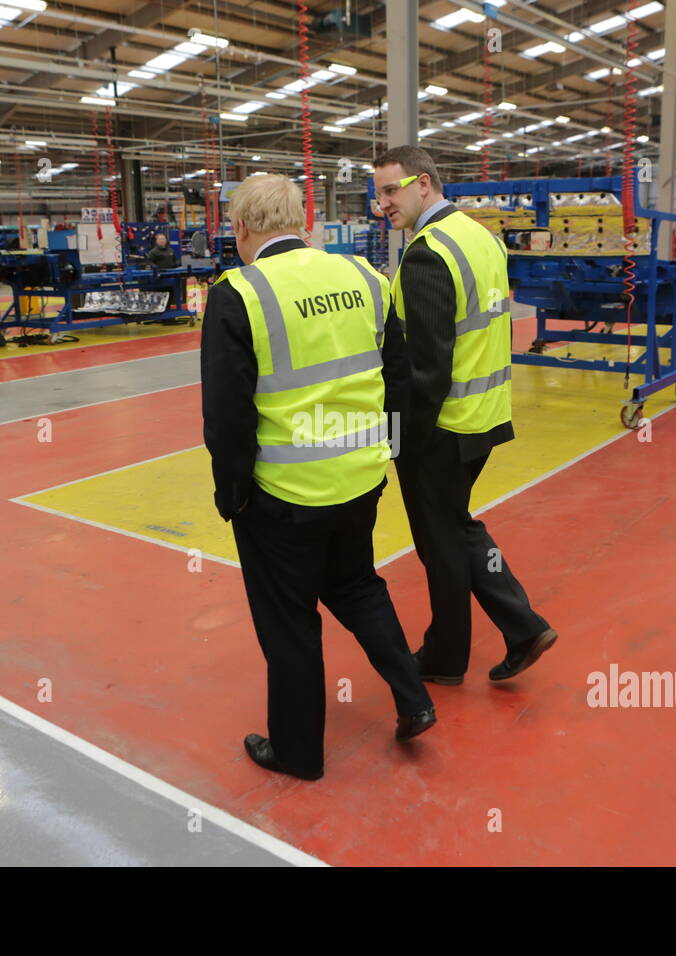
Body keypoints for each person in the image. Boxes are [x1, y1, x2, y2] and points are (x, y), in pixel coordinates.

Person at [200, 172, 435, 781]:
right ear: (304, 221)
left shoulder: (238, 292)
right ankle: (415, 697)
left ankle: (299, 753)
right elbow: (398, 379)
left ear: (242, 228)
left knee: (290, 623)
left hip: (282, 497)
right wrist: (391, 455)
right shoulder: (364, 276)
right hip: (359, 480)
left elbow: (227, 414)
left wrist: (232, 499)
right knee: (357, 587)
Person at [372, 145, 557, 686]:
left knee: (442, 538)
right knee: (452, 532)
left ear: (423, 183)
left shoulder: (428, 253)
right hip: (485, 413)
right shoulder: (481, 237)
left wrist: (403, 437)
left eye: (391, 189)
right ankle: (517, 628)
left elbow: (428, 367)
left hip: (443, 426)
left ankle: (452, 654)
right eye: (378, 192)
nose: (383, 203)